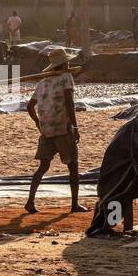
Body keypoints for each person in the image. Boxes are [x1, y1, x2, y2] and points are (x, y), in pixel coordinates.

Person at [24, 47, 85, 215]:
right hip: (63, 127)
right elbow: (69, 103)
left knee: (43, 166)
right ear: (64, 63)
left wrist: (38, 123)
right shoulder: (66, 77)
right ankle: (74, 204)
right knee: (73, 166)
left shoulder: (42, 82)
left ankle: (30, 201)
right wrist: (75, 126)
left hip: (46, 129)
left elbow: (29, 107)